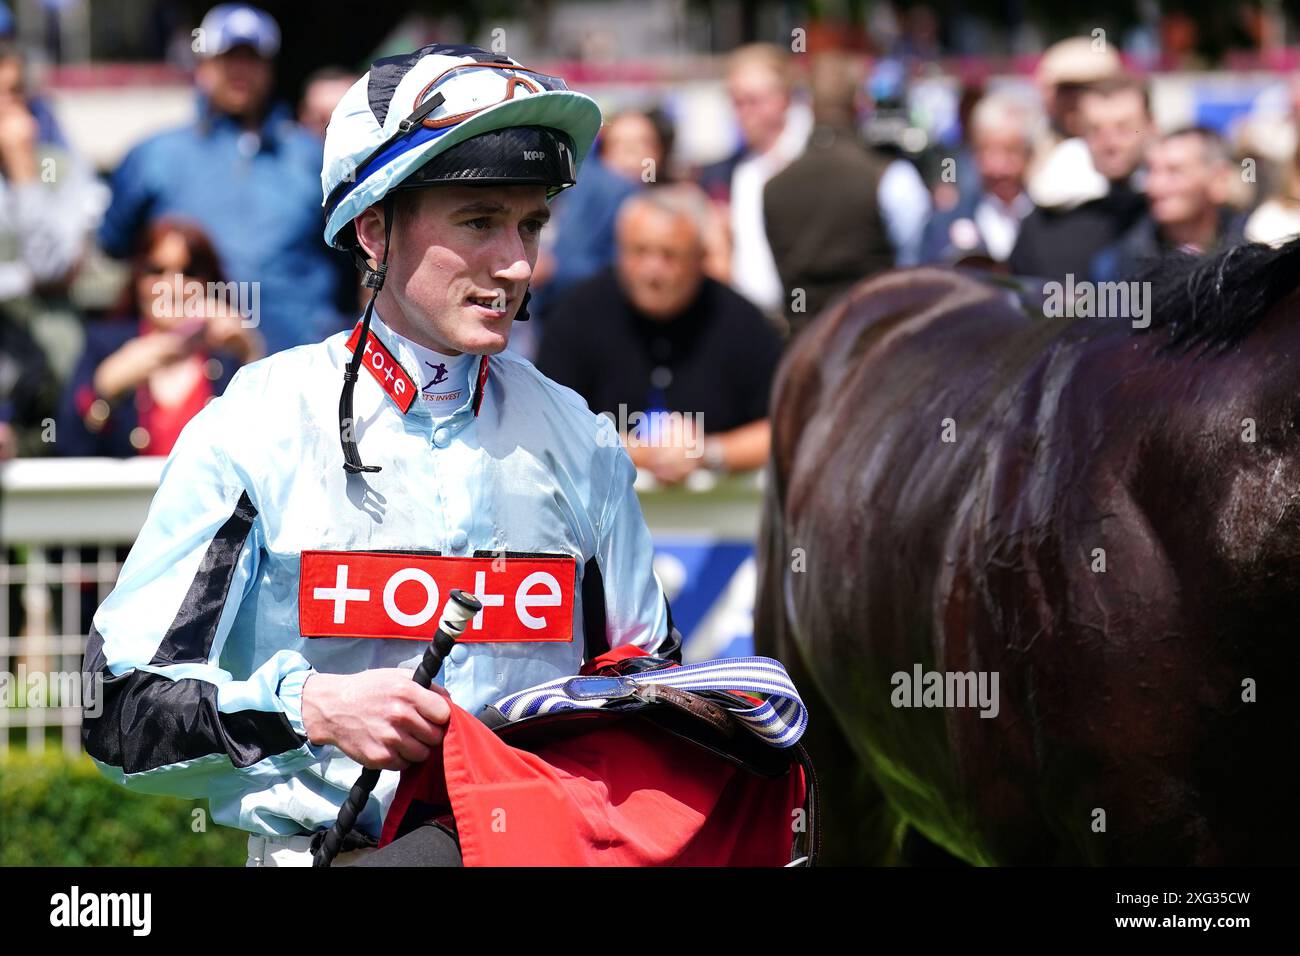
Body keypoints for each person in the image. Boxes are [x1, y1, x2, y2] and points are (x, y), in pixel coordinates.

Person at [81, 44, 684, 868]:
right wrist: (312, 709)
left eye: (531, 223)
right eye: (479, 221)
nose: (514, 263)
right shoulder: (258, 424)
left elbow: (647, 706)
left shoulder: (580, 440)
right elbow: (116, 707)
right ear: (373, 228)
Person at [97, 3, 349, 356]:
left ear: (270, 68)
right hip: (187, 371)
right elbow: (114, 244)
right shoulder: (156, 155)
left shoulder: (314, 158)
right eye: (228, 57)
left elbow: (356, 258)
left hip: (297, 364)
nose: (240, 70)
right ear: (204, 66)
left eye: (252, 58)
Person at [537, 186, 781, 485]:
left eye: (669, 255)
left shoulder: (742, 323)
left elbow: (780, 428)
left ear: (700, 257)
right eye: (639, 251)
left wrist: (708, 453)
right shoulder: (577, 315)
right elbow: (550, 420)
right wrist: (641, 453)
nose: (653, 271)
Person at [55, 217, 261, 457]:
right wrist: (102, 392)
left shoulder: (229, 356)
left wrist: (251, 355)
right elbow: (66, 449)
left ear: (209, 282)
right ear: (137, 278)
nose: (172, 286)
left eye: (188, 272)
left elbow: (269, 453)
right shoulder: (104, 345)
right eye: (157, 271)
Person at [762, 51, 929, 333]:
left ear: (810, 105)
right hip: (875, 341)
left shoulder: (772, 185)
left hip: (802, 348)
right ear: (860, 102)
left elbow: (776, 281)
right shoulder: (891, 178)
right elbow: (911, 268)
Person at [698, 43, 813, 317]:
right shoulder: (725, 172)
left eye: (753, 100)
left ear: (784, 97)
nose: (743, 112)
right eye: (736, 102)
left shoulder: (813, 158)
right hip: (751, 318)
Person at [1009, 75, 1151, 282]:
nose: (1110, 143)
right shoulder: (1046, 221)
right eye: (1096, 130)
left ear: (1151, 125)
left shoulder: (1178, 213)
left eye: (1124, 128)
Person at [1092, 127, 1242, 282]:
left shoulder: (1251, 252)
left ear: (1218, 179)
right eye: (1150, 171)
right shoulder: (1117, 266)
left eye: (1174, 171)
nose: (1155, 185)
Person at [922, 92, 1035, 266]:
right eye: (987, 152)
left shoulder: (1052, 222)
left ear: (1028, 155)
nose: (998, 167)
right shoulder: (944, 223)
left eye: (1010, 151)